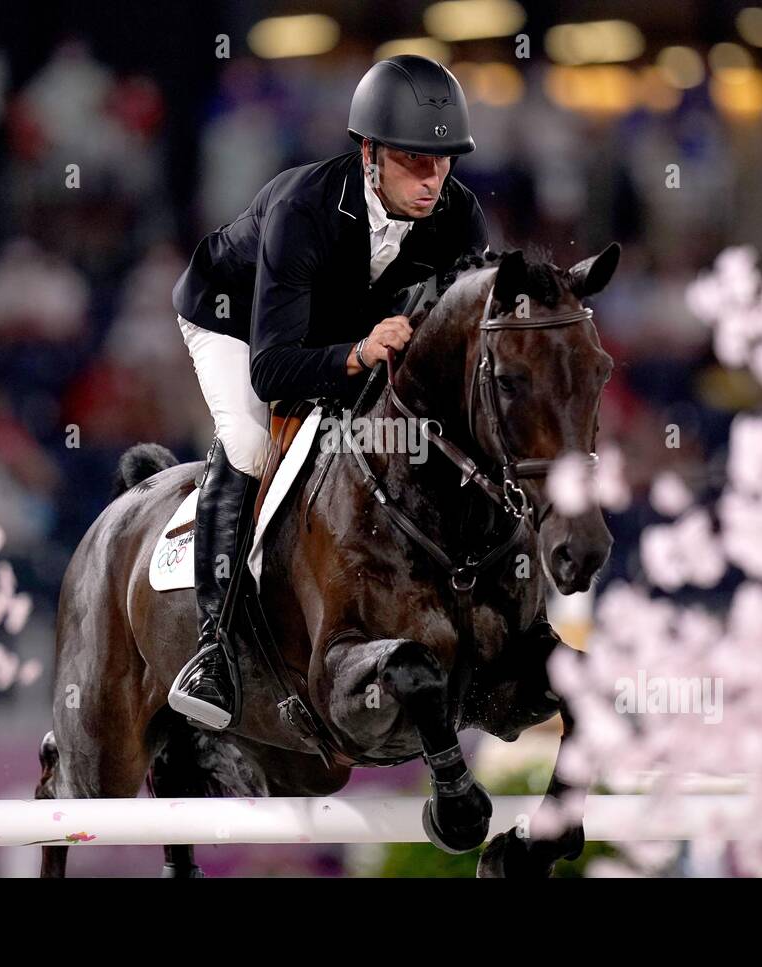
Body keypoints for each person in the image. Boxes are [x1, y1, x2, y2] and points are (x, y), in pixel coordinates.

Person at [168, 55, 489, 729]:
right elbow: (273, 371)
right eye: (412, 160)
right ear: (369, 153)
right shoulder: (303, 210)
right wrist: (359, 352)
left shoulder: (459, 215)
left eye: (442, 160)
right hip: (237, 320)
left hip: (342, 325)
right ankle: (213, 649)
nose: (432, 179)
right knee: (250, 439)